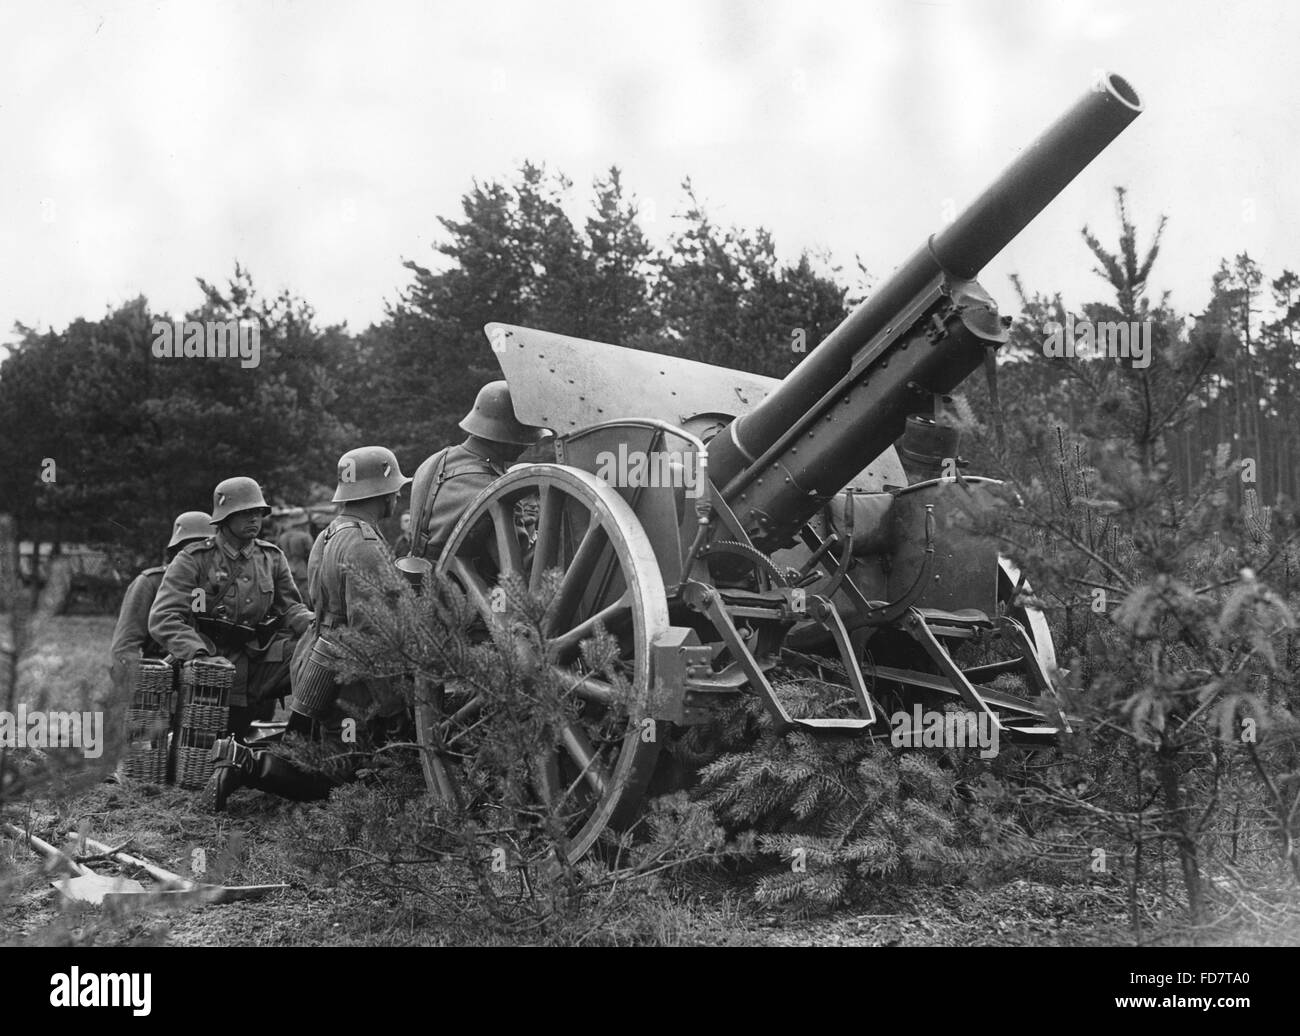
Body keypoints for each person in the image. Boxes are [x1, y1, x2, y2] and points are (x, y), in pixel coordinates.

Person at [202, 446, 412, 811]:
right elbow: (370, 637)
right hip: (346, 675)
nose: (398, 494)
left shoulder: (331, 533)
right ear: (377, 492)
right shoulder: (364, 546)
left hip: (317, 657)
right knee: (338, 772)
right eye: (394, 487)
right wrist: (393, 706)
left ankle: (250, 758)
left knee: (327, 750)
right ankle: (244, 764)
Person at [148, 476, 313, 738]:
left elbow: (290, 609)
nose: (254, 519)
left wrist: (314, 625)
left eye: (258, 512)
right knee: (210, 746)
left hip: (259, 661)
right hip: (210, 668)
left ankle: (305, 737)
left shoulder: (270, 557)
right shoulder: (195, 559)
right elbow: (164, 618)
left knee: (320, 656)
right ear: (225, 517)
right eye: (245, 513)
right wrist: (199, 654)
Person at [407, 381, 543, 561]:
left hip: (421, 580)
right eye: (525, 438)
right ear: (506, 437)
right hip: (467, 587)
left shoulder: (432, 462)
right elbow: (519, 569)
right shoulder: (498, 491)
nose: (528, 445)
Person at [109, 511, 212, 707]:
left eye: (205, 549)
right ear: (176, 551)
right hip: (158, 677)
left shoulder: (216, 588)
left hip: (204, 677)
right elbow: (124, 647)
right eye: (191, 549)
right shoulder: (150, 583)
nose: (198, 556)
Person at [275, 507, 313, 596]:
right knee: (304, 600)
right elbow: (311, 557)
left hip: (286, 570)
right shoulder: (305, 537)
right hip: (302, 572)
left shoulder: (282, 537)